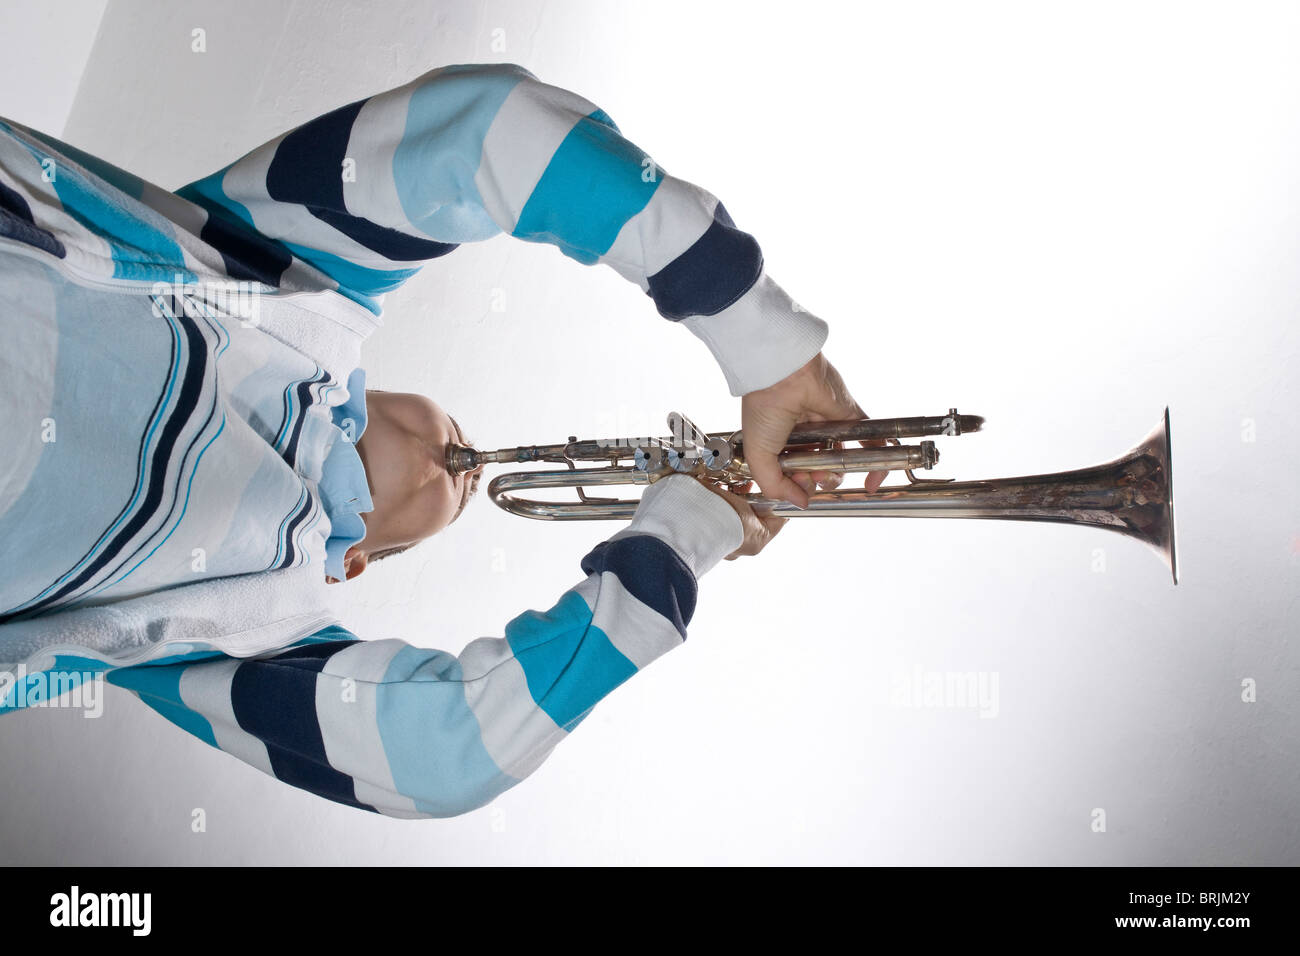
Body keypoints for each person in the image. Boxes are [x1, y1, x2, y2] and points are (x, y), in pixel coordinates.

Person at [0, 62, 885, 818]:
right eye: (459, 436)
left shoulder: (256, 628)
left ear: (357, 564)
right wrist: (762, 340)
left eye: (460, 500)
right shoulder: (304, 282)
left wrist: (685, 537)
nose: (462, 462)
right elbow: (491, 129)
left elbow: (448, 759)